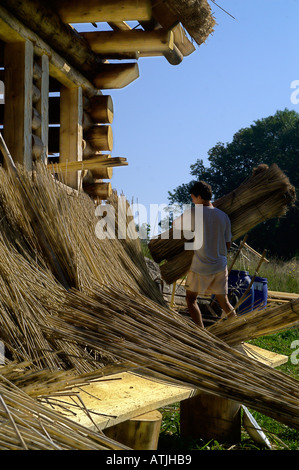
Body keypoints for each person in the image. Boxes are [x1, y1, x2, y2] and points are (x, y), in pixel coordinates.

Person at [183, 181, 237, 328]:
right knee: (224, 302)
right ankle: (239, 329)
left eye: (193, 198)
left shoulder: (194, 214)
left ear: (199, 197)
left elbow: (183, 238)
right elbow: (228, 244)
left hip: (201, 266)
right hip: (220, 265)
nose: (193, 201)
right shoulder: (224, 216)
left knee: (190, 299)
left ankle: (201, 333)